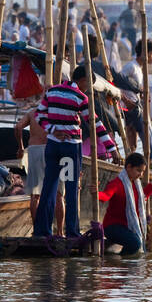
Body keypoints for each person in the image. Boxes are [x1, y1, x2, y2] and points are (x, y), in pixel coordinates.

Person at [34, 65, 97, 237]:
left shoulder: (52, 91)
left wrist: (53, 129)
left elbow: (39, 115)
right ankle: (72, 232)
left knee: (49, 188)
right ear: (83, 80)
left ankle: (42, 230)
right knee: (70, 189)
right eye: (89, 84)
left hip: (53, 146)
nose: (88, 88)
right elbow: (94, 123)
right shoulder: (81, 97)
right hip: (70, 147)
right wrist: (112, 148)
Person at [98, 152, 152, 255]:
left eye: (142, 172)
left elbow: (142, 198)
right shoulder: (116, 183)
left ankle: (122, 262)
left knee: (139, 241)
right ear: (128, 167)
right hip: (112, 226)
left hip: (126, 226)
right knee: (135, 243)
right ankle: (122, 264)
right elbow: (106, 196)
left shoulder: (136, 185)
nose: (140, 174)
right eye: (138, 170)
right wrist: (96, 193)